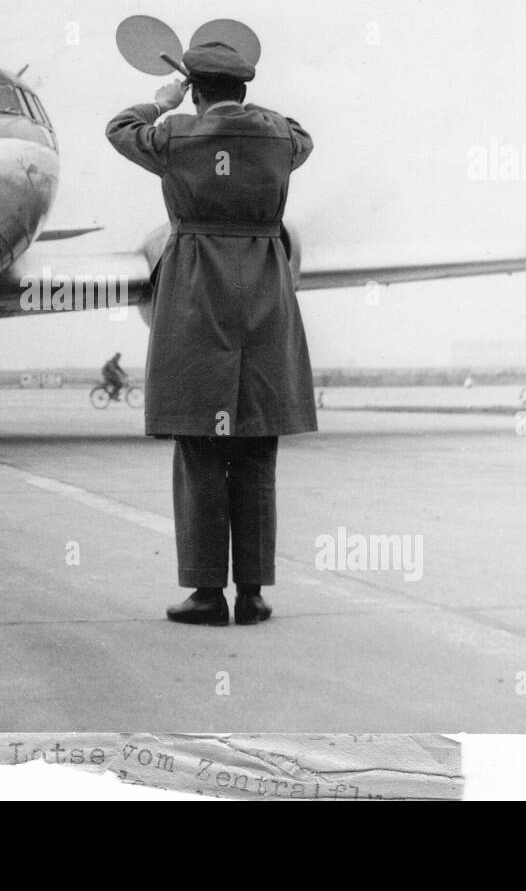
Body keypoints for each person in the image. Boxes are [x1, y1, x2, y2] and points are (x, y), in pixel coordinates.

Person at [106, 40, 316, 627]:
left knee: (200, 449)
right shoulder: (279, 140)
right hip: (267, 299)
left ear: (195, 89)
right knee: (257, 449)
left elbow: (120, 128)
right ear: (245, 89)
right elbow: (301, 134)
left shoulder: (174, 136)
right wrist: (243, 112)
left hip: (197, 296)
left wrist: (164, 101)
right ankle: (252, 594)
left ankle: (205, 594)